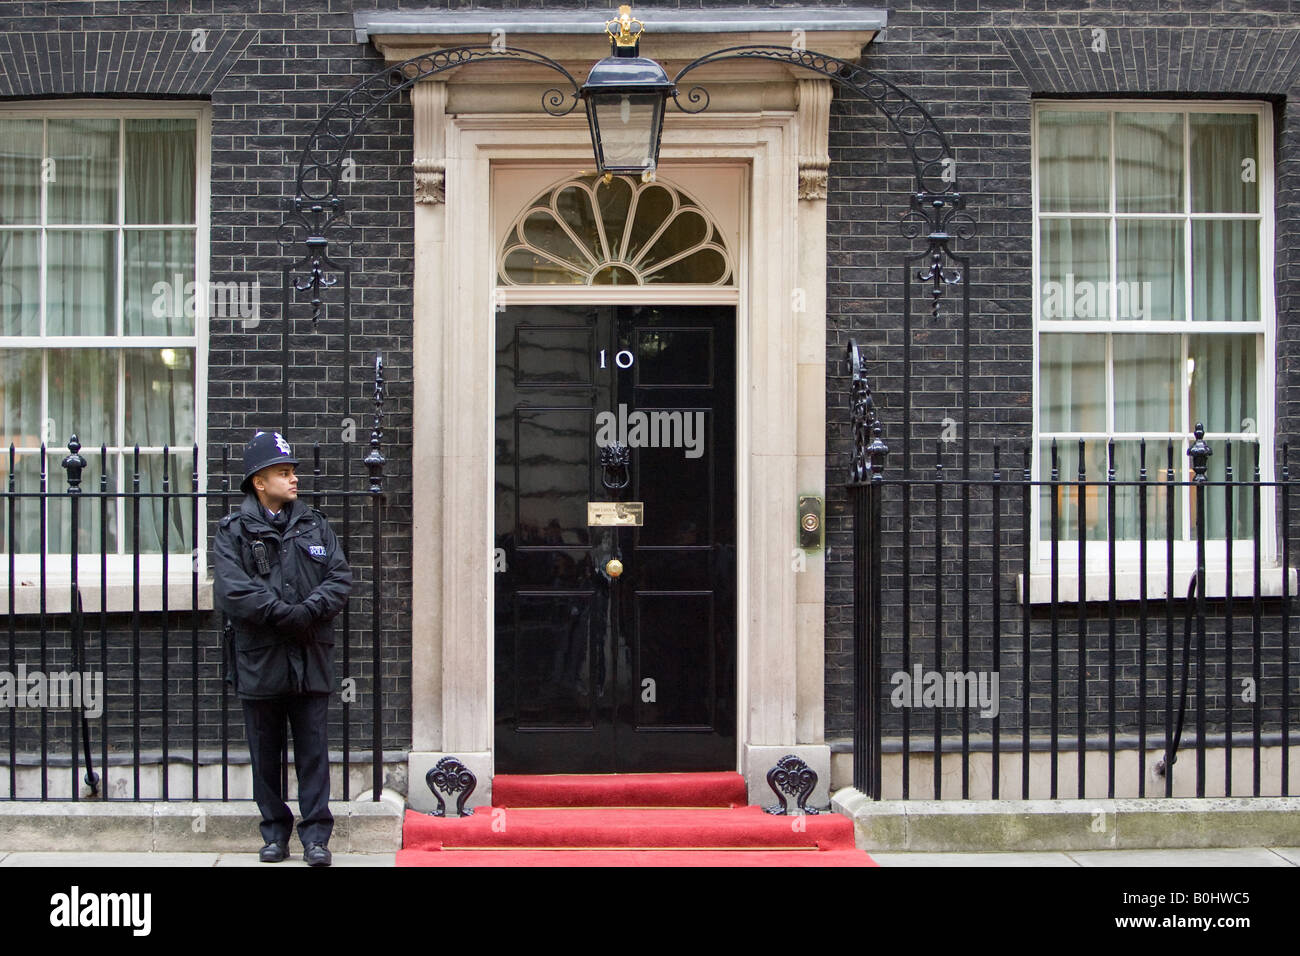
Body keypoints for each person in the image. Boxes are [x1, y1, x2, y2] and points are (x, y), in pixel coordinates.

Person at [214, 431, 352, 866]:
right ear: (260, 481)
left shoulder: (316, 525)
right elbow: (232, 591)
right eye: (284, 472)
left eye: (292, 471)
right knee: (265, 754)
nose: (293, 479)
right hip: (261, 660)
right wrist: (280, 613)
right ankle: (274, 833)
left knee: (313, 752)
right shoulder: (233, 532)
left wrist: (308, 610)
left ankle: (316, 838)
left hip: (309, 658)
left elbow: (340, 578)